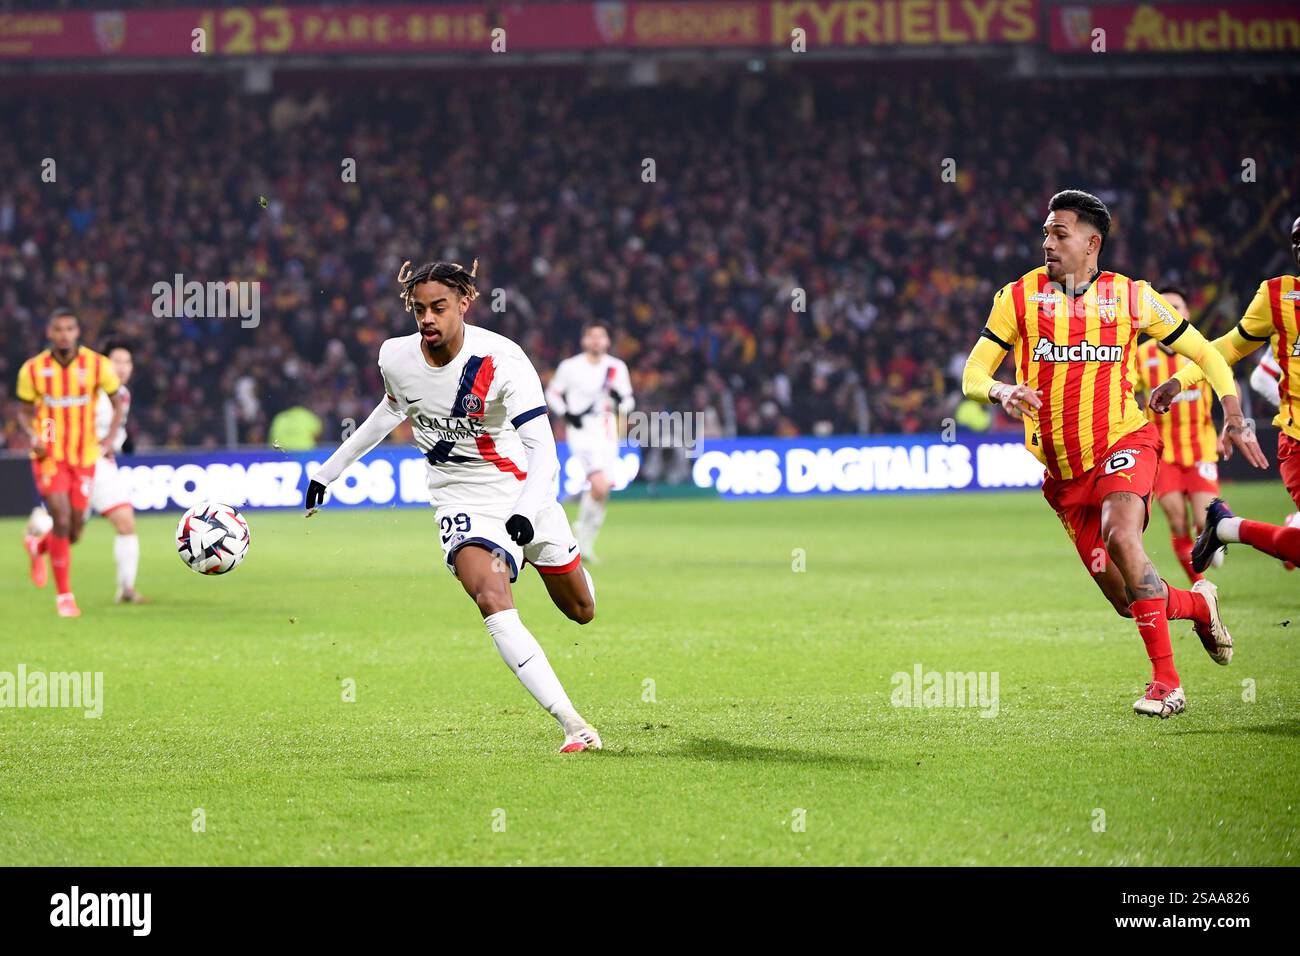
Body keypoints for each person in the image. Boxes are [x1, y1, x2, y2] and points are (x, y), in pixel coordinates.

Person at [961, 190, 1267, 718]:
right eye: (1046, 233)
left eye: (1060, 233)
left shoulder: (1131, 297)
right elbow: (972, 374)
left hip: (1123, 443)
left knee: (1121, 534)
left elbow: (1207, 353)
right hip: (1063, 475)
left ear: (1092, 242)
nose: (1048, 243)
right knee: (1127, 600)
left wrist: (1234, 412)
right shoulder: (1016, 298)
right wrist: (1001, 391)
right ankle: (1199, 604)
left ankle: (1166, 685)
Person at [304, 259, 602, 753]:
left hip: (523, 492)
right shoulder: (395, 358)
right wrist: (329, 471)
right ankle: (572, 722)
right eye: (418, 309)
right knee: (491, 597)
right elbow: (391, 410)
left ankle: (547, 553)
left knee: (581, 610)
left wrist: (527, 513)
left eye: (438, 307)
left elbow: (544, 452)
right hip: (459, 499)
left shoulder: (504, 361)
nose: (427, 319)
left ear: (464, 303)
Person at [1151, 216, 1300, 571]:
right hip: (1297, 440)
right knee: (1175, 518)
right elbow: (1225, 349)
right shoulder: (1278, 295)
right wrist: (1178, 381)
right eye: (1296, 240)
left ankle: (1228, 526)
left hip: (1199, 449)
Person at [18, 309, 125, 617]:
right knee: (61, 520)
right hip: (49, 455)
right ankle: (64, 596)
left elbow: (118, 401)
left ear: (77, 331)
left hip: (84, 456)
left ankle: (38, 546)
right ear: (49, 333)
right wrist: (32, 435)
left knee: (75, 530)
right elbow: (24, 411)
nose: (64, 334)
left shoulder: (97, 365)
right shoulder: (33, 369)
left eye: (69, 328)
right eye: (58, 329)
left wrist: (110, 438)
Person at [1131, 288, 1223, 583]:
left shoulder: (1200, 351)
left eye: (1177, 306)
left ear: (1187, 313)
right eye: (1165, 306)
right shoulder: (1142, 356)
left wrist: (1235, 423)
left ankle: (1215, 530)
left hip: (1201, 448)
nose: (1171, 310)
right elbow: (1124, 389)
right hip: (1163, 454)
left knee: (1203, 519)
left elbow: (1225, 383)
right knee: (1177, 521)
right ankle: (1201, 585)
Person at [545, 324, 634, 562]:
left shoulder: (616, 368)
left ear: (607, 341)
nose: (596, 341)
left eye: (600, 337)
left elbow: (628, 401)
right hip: (581, 432)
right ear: (584, 341)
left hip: (607, 432)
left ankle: (585, 543)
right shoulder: (570, 366)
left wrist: (620, 403)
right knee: (600, 485)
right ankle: (579, 538)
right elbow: (552, 393)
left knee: (602, 492)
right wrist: (566, 413)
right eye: (591, 337)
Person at [89, 341, 144, 603]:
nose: (122, 367)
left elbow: (115, 432)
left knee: (126, 524)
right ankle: (38, 535)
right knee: (68, 528)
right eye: (116, 361)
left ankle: (126, 589)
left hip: (103, 465)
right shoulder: (91, 390)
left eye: (127, 362)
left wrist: (120, 443)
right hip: (83, 463)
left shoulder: (123, 394)